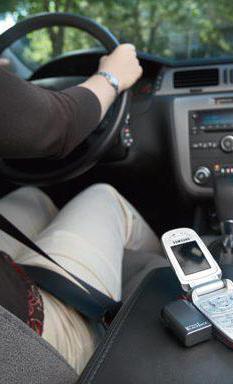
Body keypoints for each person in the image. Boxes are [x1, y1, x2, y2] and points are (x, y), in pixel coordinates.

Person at [0, 44, 166, 374]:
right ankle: (172, 285)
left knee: (30, 197)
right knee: (104, 197)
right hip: (25, 349)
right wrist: (112, 75)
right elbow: (58, 123)